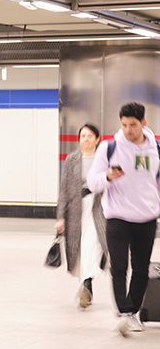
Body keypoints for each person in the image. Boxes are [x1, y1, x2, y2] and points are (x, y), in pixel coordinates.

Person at [87, 102, 160, 337]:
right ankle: (123, 312)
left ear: (144, 124)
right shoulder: (109, 148)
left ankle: (132, 312)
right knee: (118, 267)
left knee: (140, 269)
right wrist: (107, 177)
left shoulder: (156, 149)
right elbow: (92, 182)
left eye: (133, 125)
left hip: (147, 217)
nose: (128, 130)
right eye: (125, 125)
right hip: (117, 216)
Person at [55, 124, 108, 309]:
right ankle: (86, 283)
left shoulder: (103, 159)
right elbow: (64, 189)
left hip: (98, 209)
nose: (85, 139)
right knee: (79, 247)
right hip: (76, 209)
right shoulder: (71, 160)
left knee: (93, 245)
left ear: (97, 139)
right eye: (82, 136)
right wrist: (60, 216)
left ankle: (86, 281)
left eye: (89, 136)